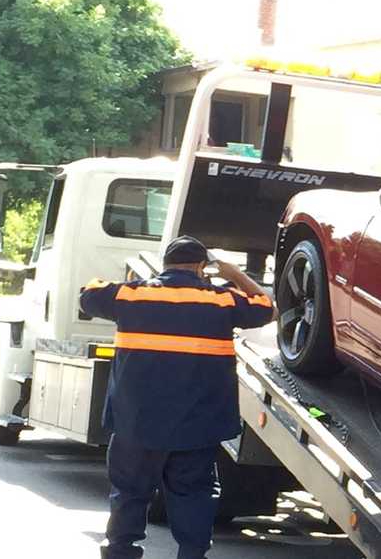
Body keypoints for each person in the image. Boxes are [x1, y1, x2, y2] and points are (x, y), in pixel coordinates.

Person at [80, 235, 276, 559]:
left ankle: (120, 552)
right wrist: (234, 274)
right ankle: (192, 554)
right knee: (194, 495)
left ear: (165, 265)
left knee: (129, 493)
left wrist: (140, 282)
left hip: (136, 423)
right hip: (196, 426)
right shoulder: (222, 301)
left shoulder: (132, 295)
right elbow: (268, 308)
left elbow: (88, 294)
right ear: (201, 268)